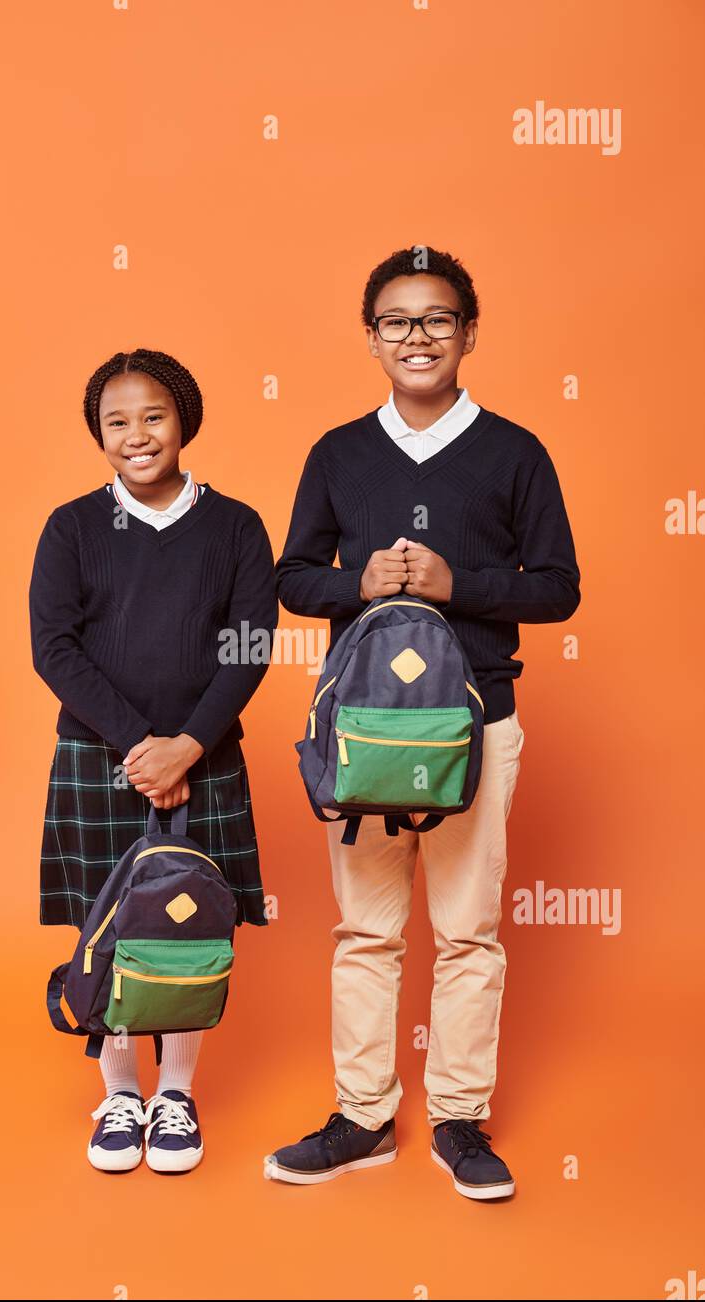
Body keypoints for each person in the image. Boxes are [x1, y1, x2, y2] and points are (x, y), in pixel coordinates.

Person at [264, 247, 580, 1197]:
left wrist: (462, 586)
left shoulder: (516, 451)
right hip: (364, 729)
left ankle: (458, 1118)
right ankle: (363, 1117)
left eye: (437, 318)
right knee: (366, 931)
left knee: (470, 929)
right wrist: (355, 585)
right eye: (397, 321)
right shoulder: (336, 452)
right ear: (371, 338)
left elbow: (560, 589)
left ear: (468, 332)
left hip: (477, 728)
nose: (418, 336)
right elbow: (288, 579)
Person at [30, 348, 277, 1174]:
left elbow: (249, 647)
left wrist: (187, 746)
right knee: (105, 925)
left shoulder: (235, 525)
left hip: (203, 756)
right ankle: (120, 1093)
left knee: (187, 927)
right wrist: (141, 746)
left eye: (154, 416)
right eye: (117, 422)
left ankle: (175, 1095)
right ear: (98, 435)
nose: (137, 435)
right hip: (100, 760)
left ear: (185, 421)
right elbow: (54, 649)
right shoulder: (70, 527)